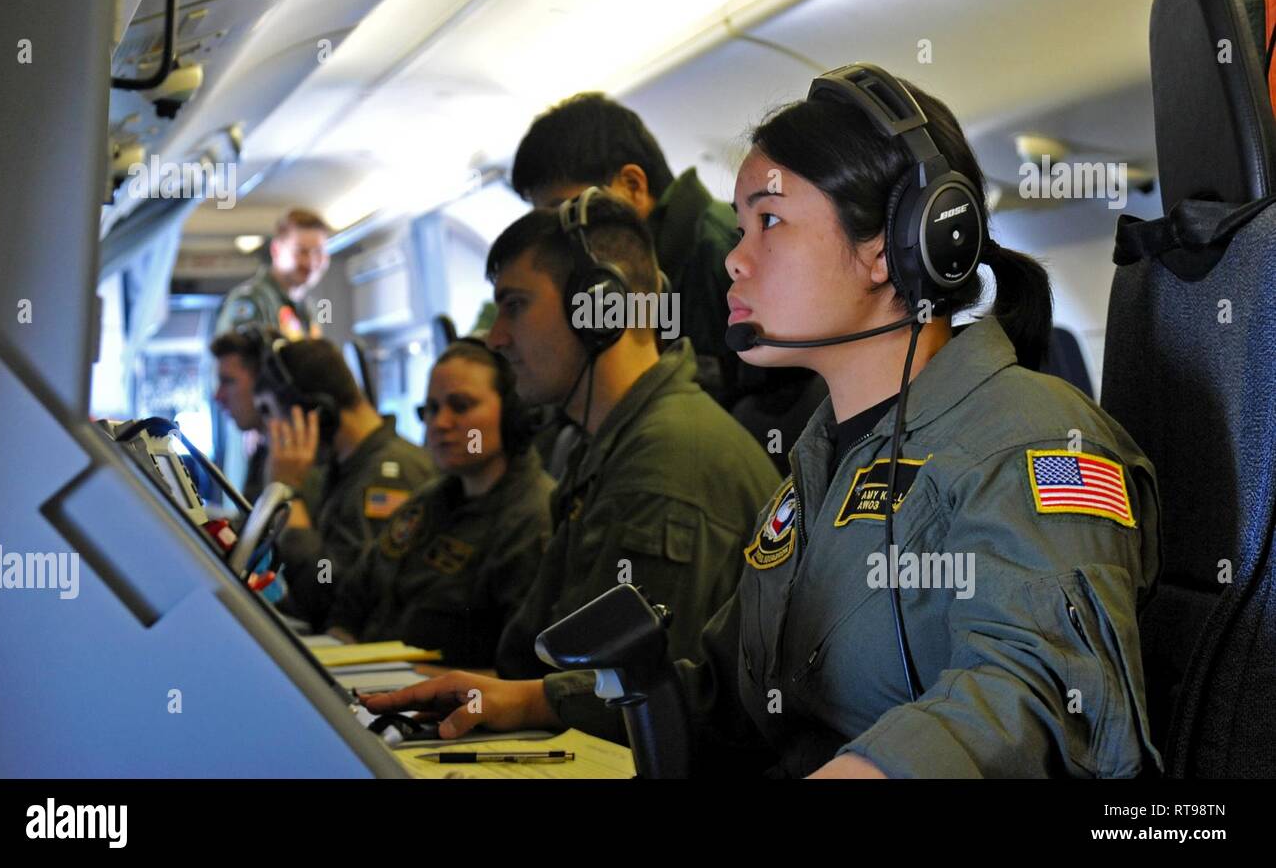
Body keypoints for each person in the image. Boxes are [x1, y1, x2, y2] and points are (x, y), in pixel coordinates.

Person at [362, 65, 1163, 780]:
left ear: (889, 246)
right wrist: (531, 701)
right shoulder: (815, 466)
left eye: (770, 223)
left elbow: (1042, 689)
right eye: (739, 229)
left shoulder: (1038, 441)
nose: (733, 260)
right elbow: (727, 695)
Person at [478, 190, 781, 679]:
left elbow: (633, 694)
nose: (496, 338)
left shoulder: (667, 463)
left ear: (600, 308)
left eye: (515, 305)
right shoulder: (608, 445)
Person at [509, 92, 825, 475]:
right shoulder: (641, 270)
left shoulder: (718, 250)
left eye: (566, 210)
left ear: (632, 185)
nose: (559, 235)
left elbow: (785, 397)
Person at [326, 340, 553, 667]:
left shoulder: (534, 520)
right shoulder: (426, 502)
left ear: (513, 414)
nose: (440, 423)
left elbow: (524, 675)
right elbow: (351, 601)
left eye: (460, 406)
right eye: (430, 409)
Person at [254, 337, 435, 631]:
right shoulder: (347, 468)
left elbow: (330, 596)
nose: (267, 433)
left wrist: (290, 494)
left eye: (270, 414)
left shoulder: (390, 477)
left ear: (318, 413)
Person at [214, 208, 331, 340]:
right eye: (301, 251)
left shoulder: (307, 307)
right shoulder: (252, 300)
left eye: (318, 252)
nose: (310, 261)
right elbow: (236, 358)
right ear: (276, 250)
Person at [208, 330, 270, 505]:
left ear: (264, 384)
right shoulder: (262, 454)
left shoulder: (299, 468)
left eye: (227, 381)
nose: (218, 396)